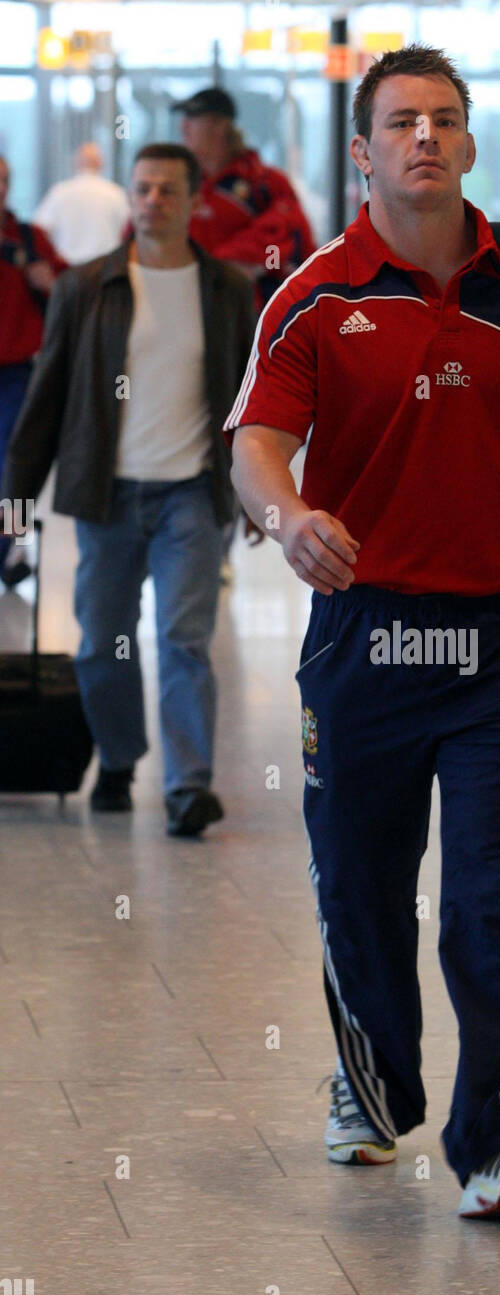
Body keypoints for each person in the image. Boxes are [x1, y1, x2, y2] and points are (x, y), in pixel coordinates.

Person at [228, 44, 500, 1220]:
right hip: (363, 641)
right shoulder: (314, 292)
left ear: (468, 145)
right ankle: (373, 1087)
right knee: (360, 886)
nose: (424, 138)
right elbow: (255, 441)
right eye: (400, 121)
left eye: (444, 120)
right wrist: (289, 513)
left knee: (494, 892)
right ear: (361, 152)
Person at [4, 144, 256, 836]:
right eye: (142, 189)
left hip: (192, 496)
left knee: (183, 638)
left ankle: (187, 786)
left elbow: (248, 399)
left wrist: (262, 494)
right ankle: (118, 758)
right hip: (108, 495)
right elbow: (46, 398)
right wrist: (15, 501)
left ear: (193, 200)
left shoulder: (228, 290)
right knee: (101, 643)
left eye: (168, 190)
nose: (152, 202)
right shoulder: (88, 287)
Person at [171, 87, 317, 306]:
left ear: (219, 126)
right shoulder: (176, 183)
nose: (183, 126)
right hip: (181, 306)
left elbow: (285, 246)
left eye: (192, 118)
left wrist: (236, 263)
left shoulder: (265, 183)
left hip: (247, 315)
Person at [0, 154, 66, 587]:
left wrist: (50, 282)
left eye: (4, 180)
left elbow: (71, 290)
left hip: (18, 374)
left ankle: (13, 543)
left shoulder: (29, 237)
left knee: (16, 464)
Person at [33, 142, 129, 265]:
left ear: (75, 163)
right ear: (101, 163)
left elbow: (40, 230)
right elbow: (128, 230)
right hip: (105, 268)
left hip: (68, 268)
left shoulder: (59, 193)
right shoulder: (116, 194)